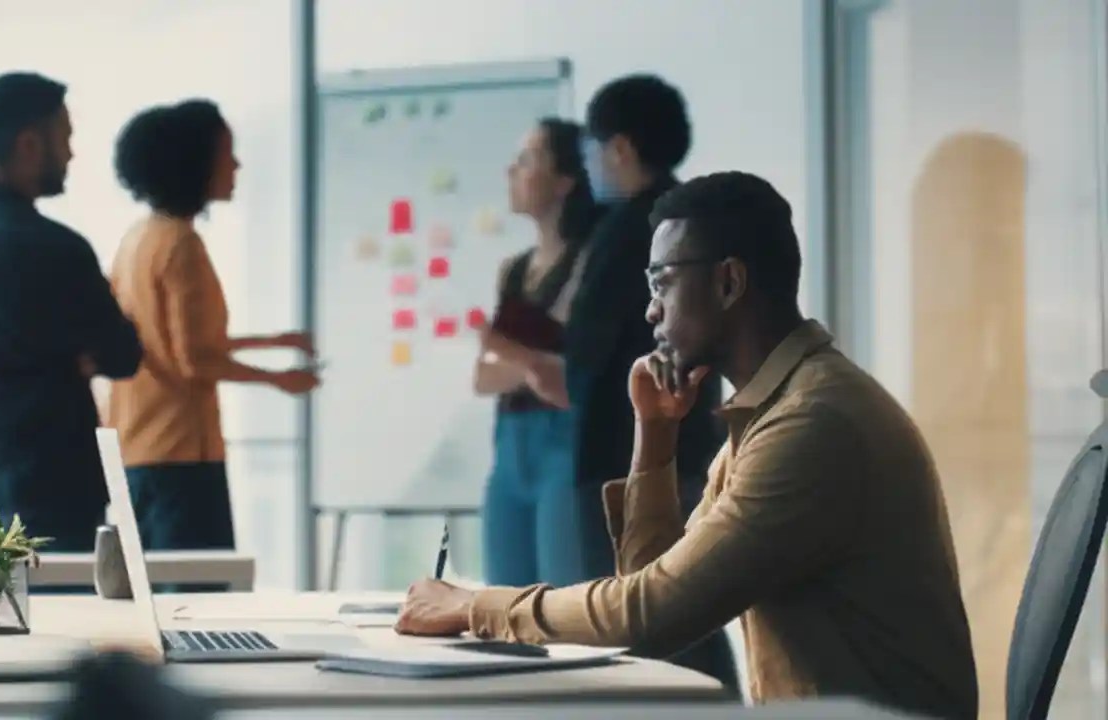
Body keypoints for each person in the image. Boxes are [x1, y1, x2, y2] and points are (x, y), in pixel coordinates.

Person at [396, 172, 979, 719]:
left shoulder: (812, 425)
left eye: (661, 284)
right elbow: (654, 586)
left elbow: (650, 617)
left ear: (728, 281)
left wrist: (473, 608)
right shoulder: (775, 409)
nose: (651, 310)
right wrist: (654, 435)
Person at [513, 74, 733, 687]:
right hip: (683, 451)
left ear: (620, 149)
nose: (589, 167)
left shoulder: (628, 230)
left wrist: (528, 359)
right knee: (688, 617)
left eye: (592, 150)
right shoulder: (693, 217)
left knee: (632, 630)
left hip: (626, 459)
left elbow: (585, 353)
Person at [0, 72, 142, 550]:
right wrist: (81, 357)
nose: (72, 153)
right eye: (66, 138)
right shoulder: (55, 248)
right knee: (67, 624)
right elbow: (123, 354)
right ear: (30, 143)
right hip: (50, 495)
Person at [106, 100, 319, 554]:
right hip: (181, 453)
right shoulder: (182, 243)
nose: (236, 165)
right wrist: (278, 379)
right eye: (227, 153)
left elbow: (172, 341)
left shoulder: (139, 238)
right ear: (195, 163)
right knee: (197, 597)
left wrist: (275, 343)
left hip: (137, 449)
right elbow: (195, 359)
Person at [473, 118, 601, 586]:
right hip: (509, 449)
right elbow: (482, 377)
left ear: (565, 179)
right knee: (504, 605)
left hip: (564, 446)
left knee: (564, 600)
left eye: (527, 160)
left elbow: (570, 371)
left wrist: (512, 356)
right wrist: (529, 363)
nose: (512, 170)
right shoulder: (513, 269)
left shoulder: (589, 261)